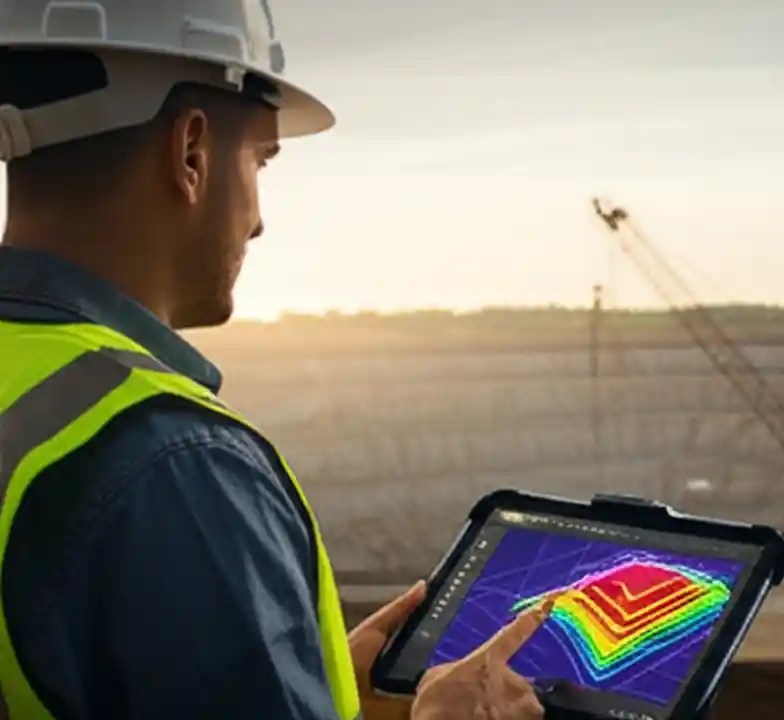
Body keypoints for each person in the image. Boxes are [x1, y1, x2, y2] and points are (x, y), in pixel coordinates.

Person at [0, 1, 548, 718]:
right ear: (191, 152)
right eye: (259, 159)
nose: (259, 219)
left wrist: (310, 686)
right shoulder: (171, 466)